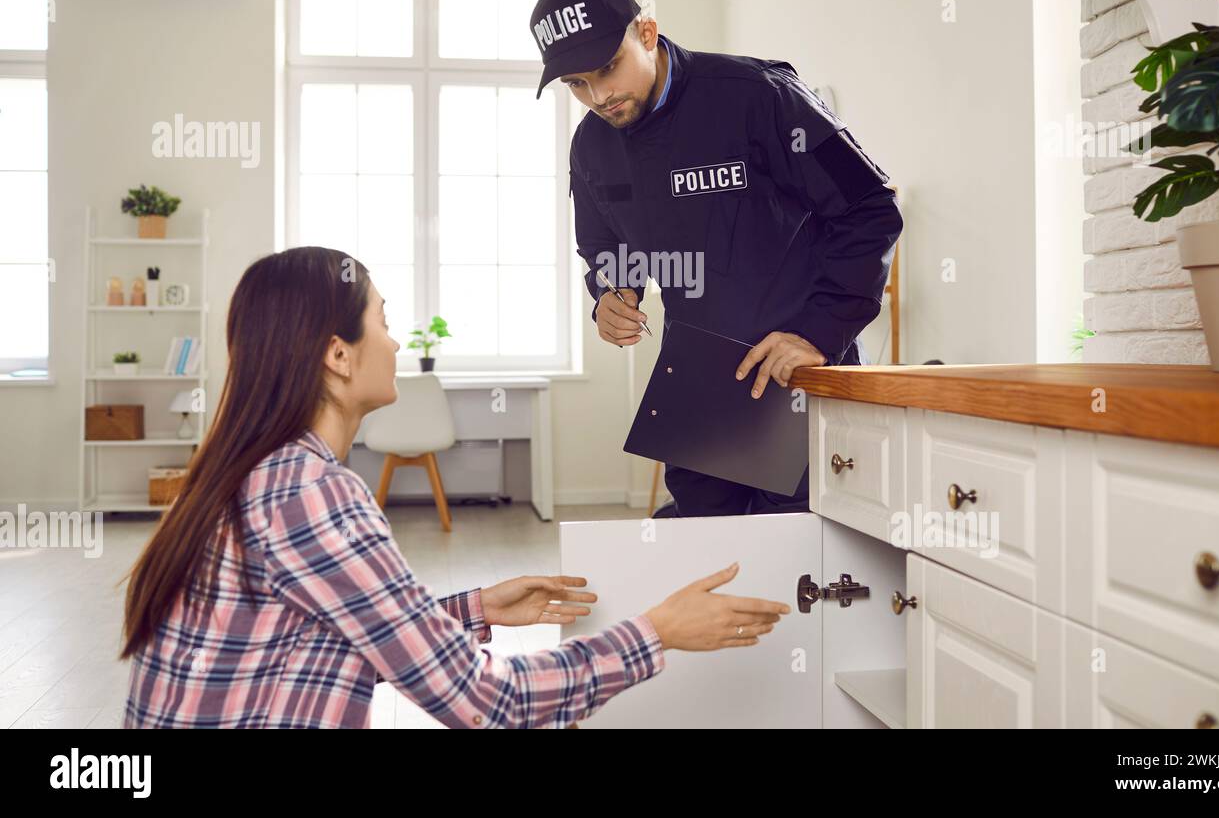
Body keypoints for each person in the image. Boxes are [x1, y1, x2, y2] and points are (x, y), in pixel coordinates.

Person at [119, 246, 790, 728]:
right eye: (382, 320)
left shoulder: (258, 470)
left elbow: (323, 625)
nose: (395, 340)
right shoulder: (311, 490)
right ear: (338, 354)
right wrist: (656, 631)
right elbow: (489, 703)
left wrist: (474, 609)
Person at [531, 0, 903, 518]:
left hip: (799, 375)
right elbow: (606, 251)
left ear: (648, 32)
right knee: (706, 568)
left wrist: (817, 333)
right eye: (577, 85)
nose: (599, 96)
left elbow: (870, 209)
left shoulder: (758, 96)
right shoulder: (591, 146)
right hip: (698, 390)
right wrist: (611, 296)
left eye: (608, 68)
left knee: (805, 573)